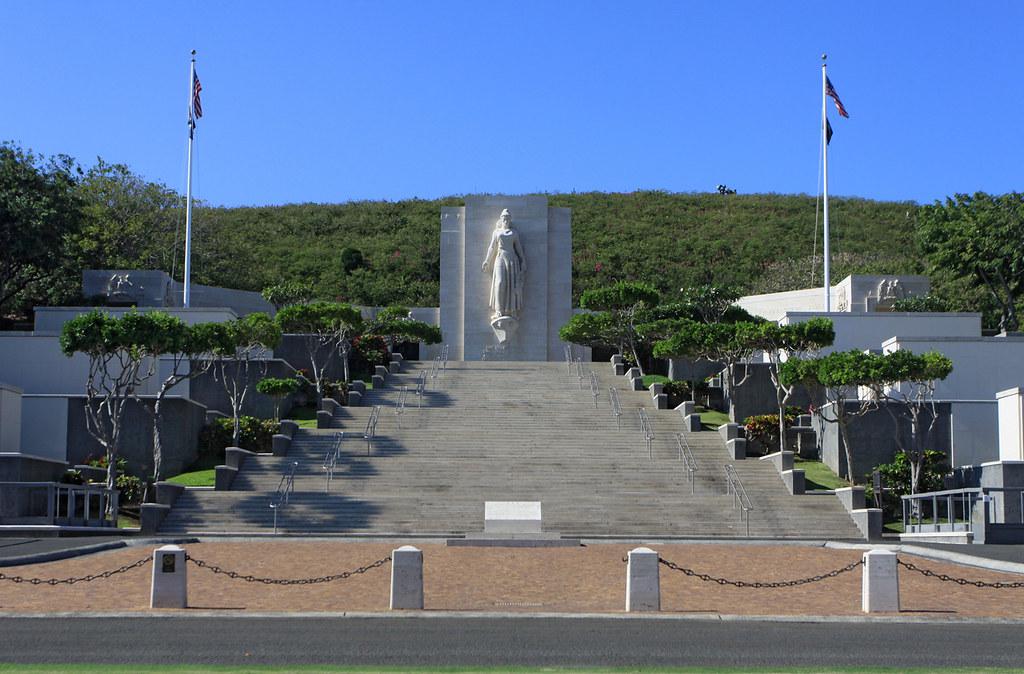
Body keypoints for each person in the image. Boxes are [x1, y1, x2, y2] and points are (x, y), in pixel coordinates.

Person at [481, 208, 527, 320]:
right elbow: (492, 247)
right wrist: (487, 260)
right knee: (500, 282)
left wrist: (523, 260)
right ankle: (498, 310)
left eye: (507, 218)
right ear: (501, 219)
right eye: (504, 217)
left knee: (511, 285)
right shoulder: (496, 232)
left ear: (510, 219)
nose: (506, 219)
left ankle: (512, 310)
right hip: (500, 258)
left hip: (512, 259)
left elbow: (518, 248)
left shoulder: (514, 233)